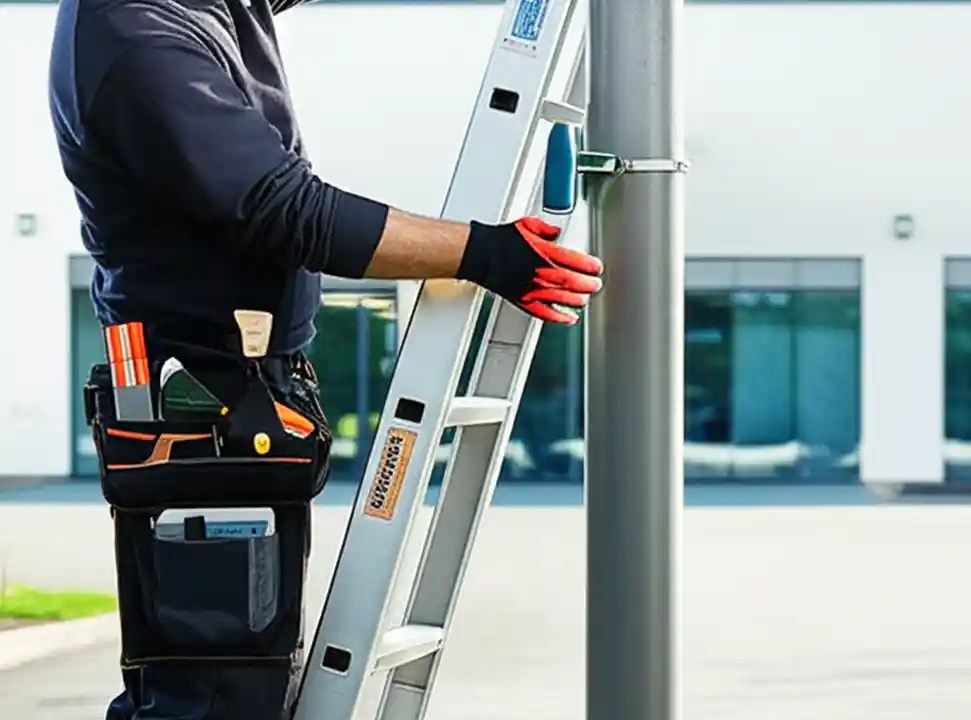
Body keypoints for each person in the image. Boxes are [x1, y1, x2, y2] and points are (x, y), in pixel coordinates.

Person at [46, 0, 605, 716]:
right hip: (200, 402)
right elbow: (282, 207)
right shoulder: (135, 30)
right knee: (212, 699)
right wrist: (483, 253)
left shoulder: (206, 8)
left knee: (246, 682)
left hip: (240, 396)